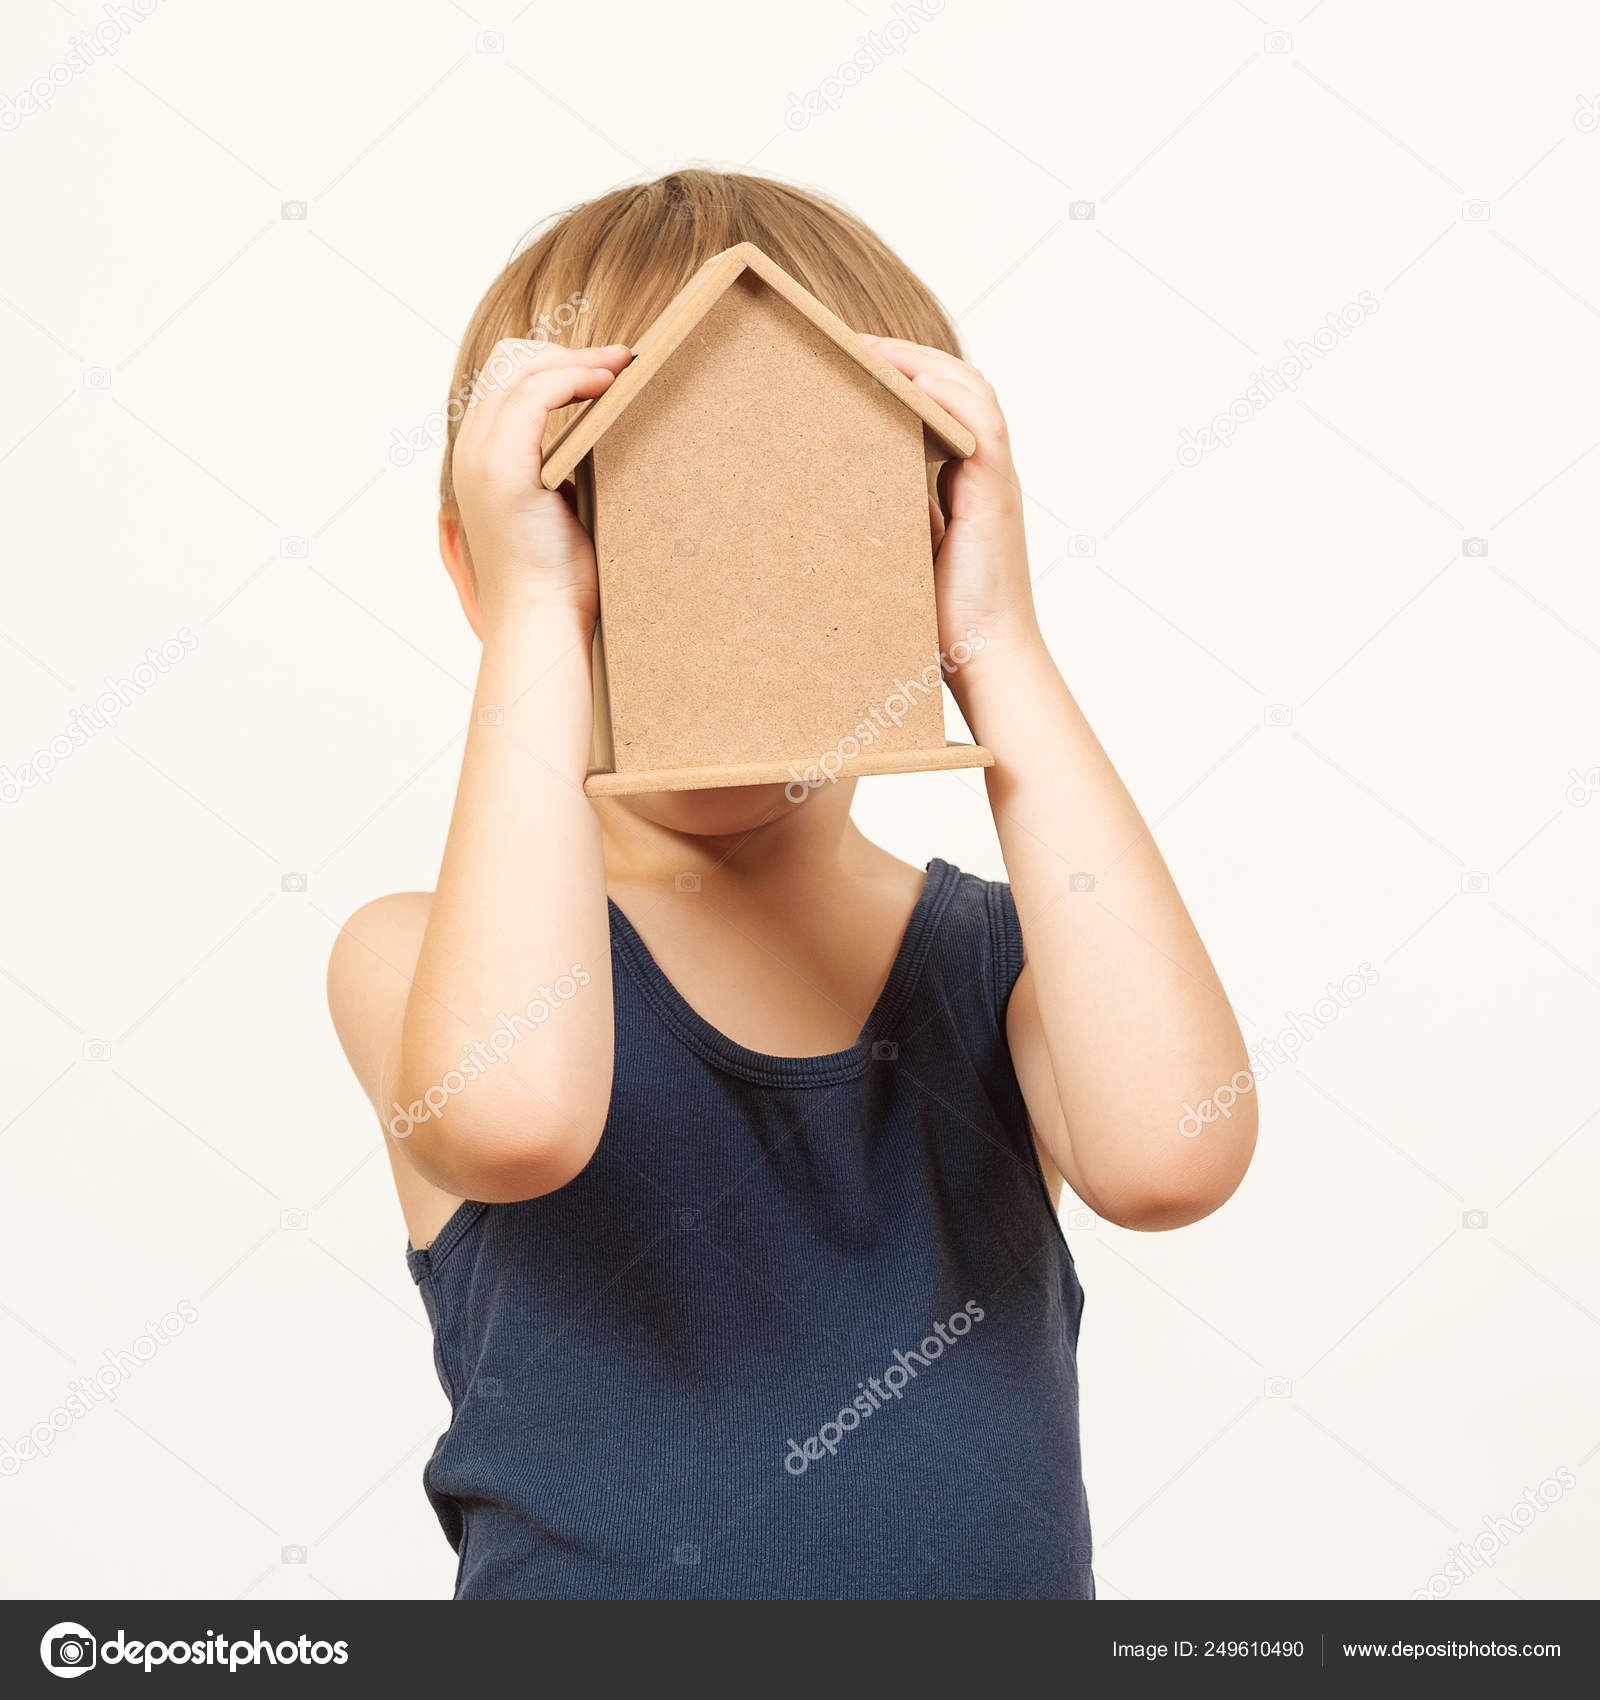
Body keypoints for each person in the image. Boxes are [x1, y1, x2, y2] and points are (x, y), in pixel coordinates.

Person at [327, 169, 1256, 1600]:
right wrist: (535, 623)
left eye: (799, 532)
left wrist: (995, 643)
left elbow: (1172, 1156)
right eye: (630, 535)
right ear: (499, 572)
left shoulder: (1009, 966)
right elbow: (514, 1122)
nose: (728, 609)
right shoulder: (416, 961)